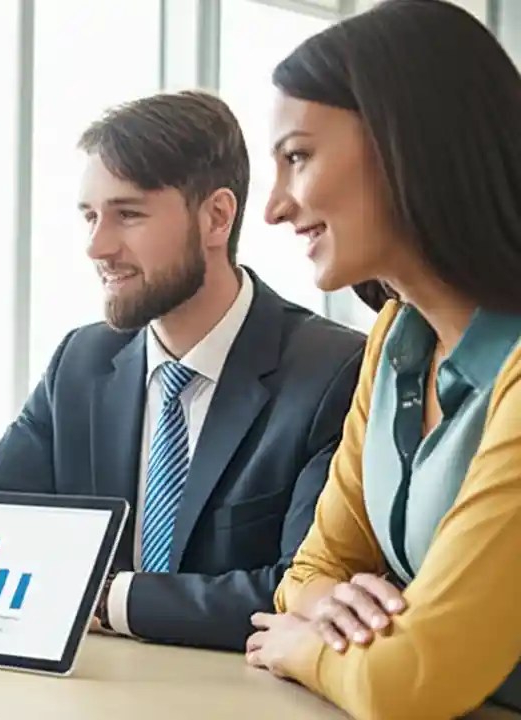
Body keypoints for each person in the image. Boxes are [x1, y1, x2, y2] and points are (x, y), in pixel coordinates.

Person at [0, 90, 365, 651]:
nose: (97, 246)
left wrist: (106, 598)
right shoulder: (80, 363)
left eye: (128, 214)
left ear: (216, 218)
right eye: (89, 216)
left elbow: (302, 592)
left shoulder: (334, 373)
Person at [245, 1, 521, 717]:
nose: (273, 207)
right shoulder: (398, 338)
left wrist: (299, 645)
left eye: (297, 157)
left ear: (410, 142)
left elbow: (410, 682)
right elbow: (309, 570)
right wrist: (328, 603)